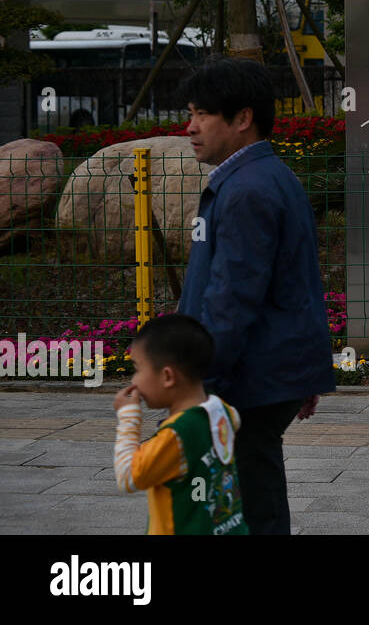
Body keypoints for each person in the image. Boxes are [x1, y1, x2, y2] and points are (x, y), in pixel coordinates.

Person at [177, 56, 336, 535]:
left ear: (242, 119)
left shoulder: (246, 189)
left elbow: (231, 298)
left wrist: (196, 378)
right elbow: (295, 284)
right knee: (256, 490)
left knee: (249, 500)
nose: (190, 127)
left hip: (244, 375)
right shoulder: (272, 176)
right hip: (268, 370)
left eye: (203, 114)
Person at [112, 313, 248, 535]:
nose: (133, 380)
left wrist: (128, 416)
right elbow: (236, 421)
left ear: (167, 376)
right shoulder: (223, 410)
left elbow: (128, 477)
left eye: (137, 369)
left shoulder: (176, 436)